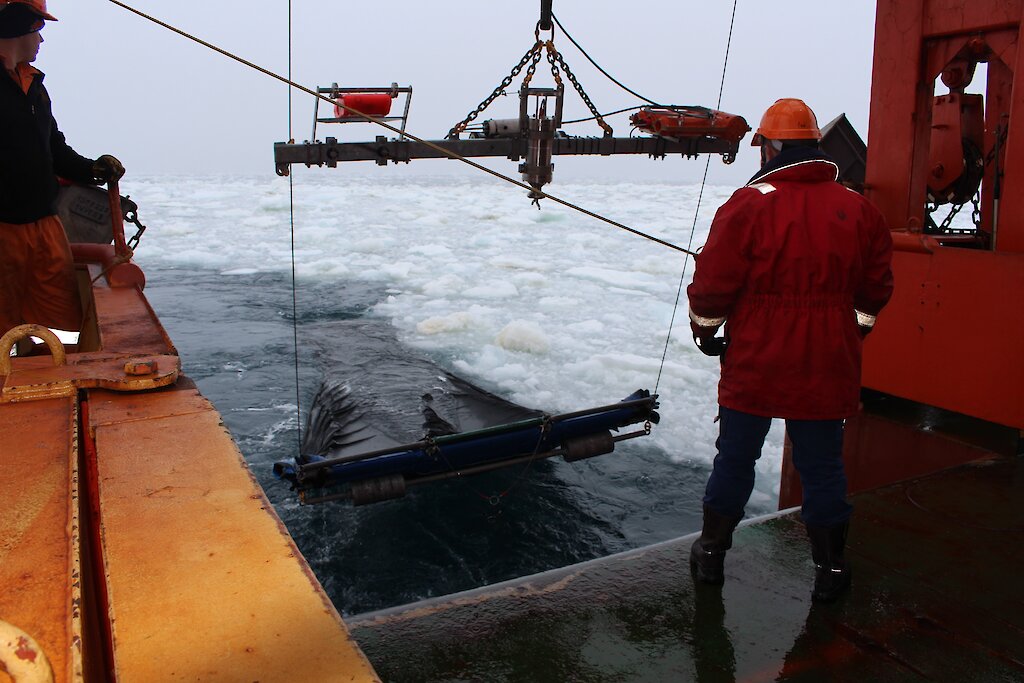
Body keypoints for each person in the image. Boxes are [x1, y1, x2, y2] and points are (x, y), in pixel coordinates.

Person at [686, 98, 893, 603]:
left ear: (771, 147)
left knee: (735, 458)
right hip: (827, 361)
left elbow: (713, 284)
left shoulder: (746, 205)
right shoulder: (858, 209)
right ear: (814, 146)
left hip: (757, 358)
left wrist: (706, 331)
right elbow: (875, 288)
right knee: (823, 466)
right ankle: (832, 570)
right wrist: (852, 332)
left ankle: (712, 555)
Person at [0, 0, 124, 355]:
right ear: (17, 26)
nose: (41, 39)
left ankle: (48, 378)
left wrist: (93, 170)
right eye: (38, 28)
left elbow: (54, 149)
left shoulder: (35, 87)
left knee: (58, 320)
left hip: (45, 226)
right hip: (3, 229)